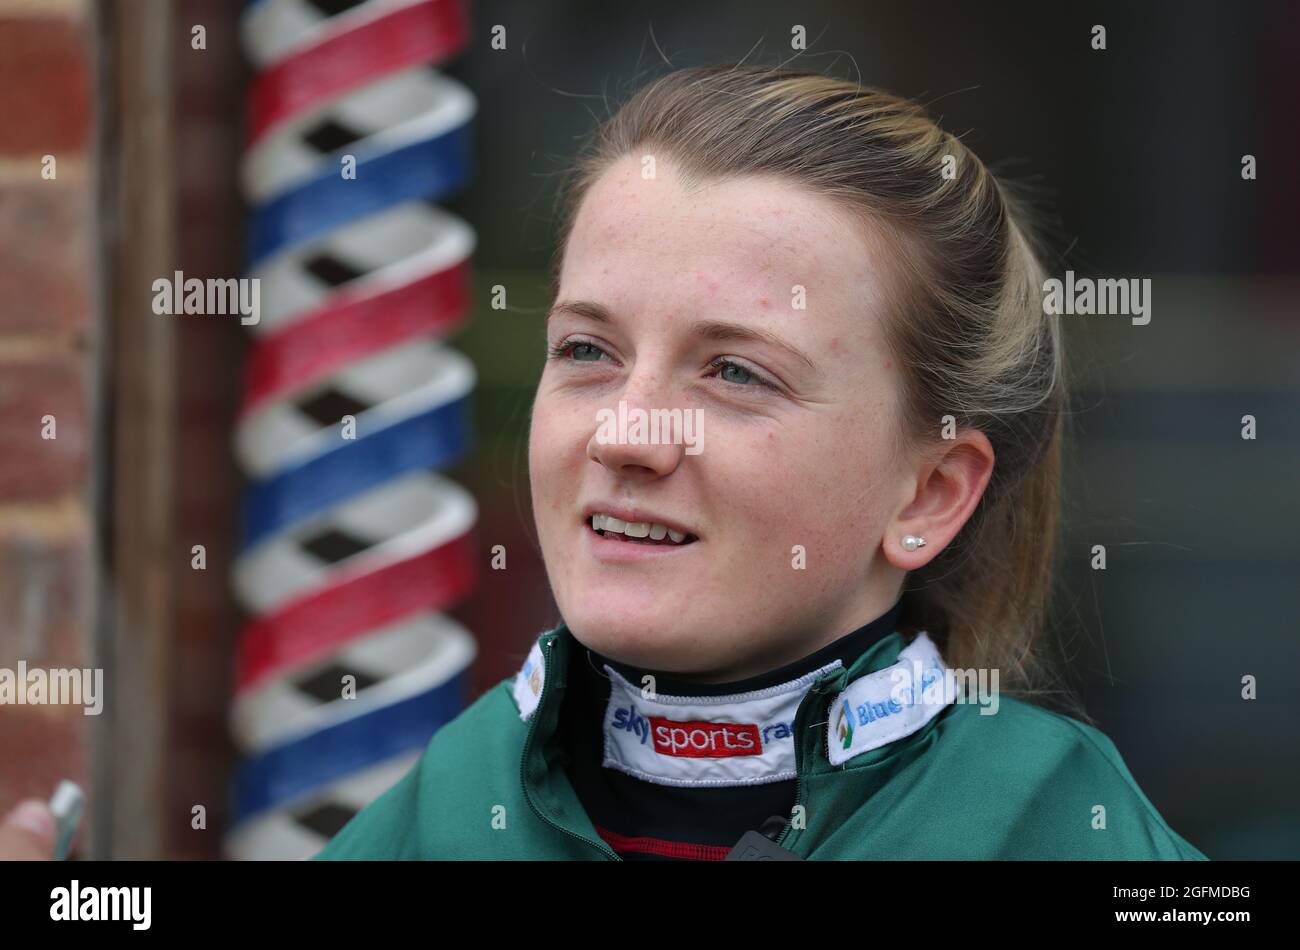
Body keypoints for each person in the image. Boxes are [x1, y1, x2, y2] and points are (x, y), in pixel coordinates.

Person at [314, 64, 1206, 860]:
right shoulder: (446, 811)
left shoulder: (1053, 827)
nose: (626, 436)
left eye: (735, 373)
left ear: (930, 495)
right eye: (588, 350)